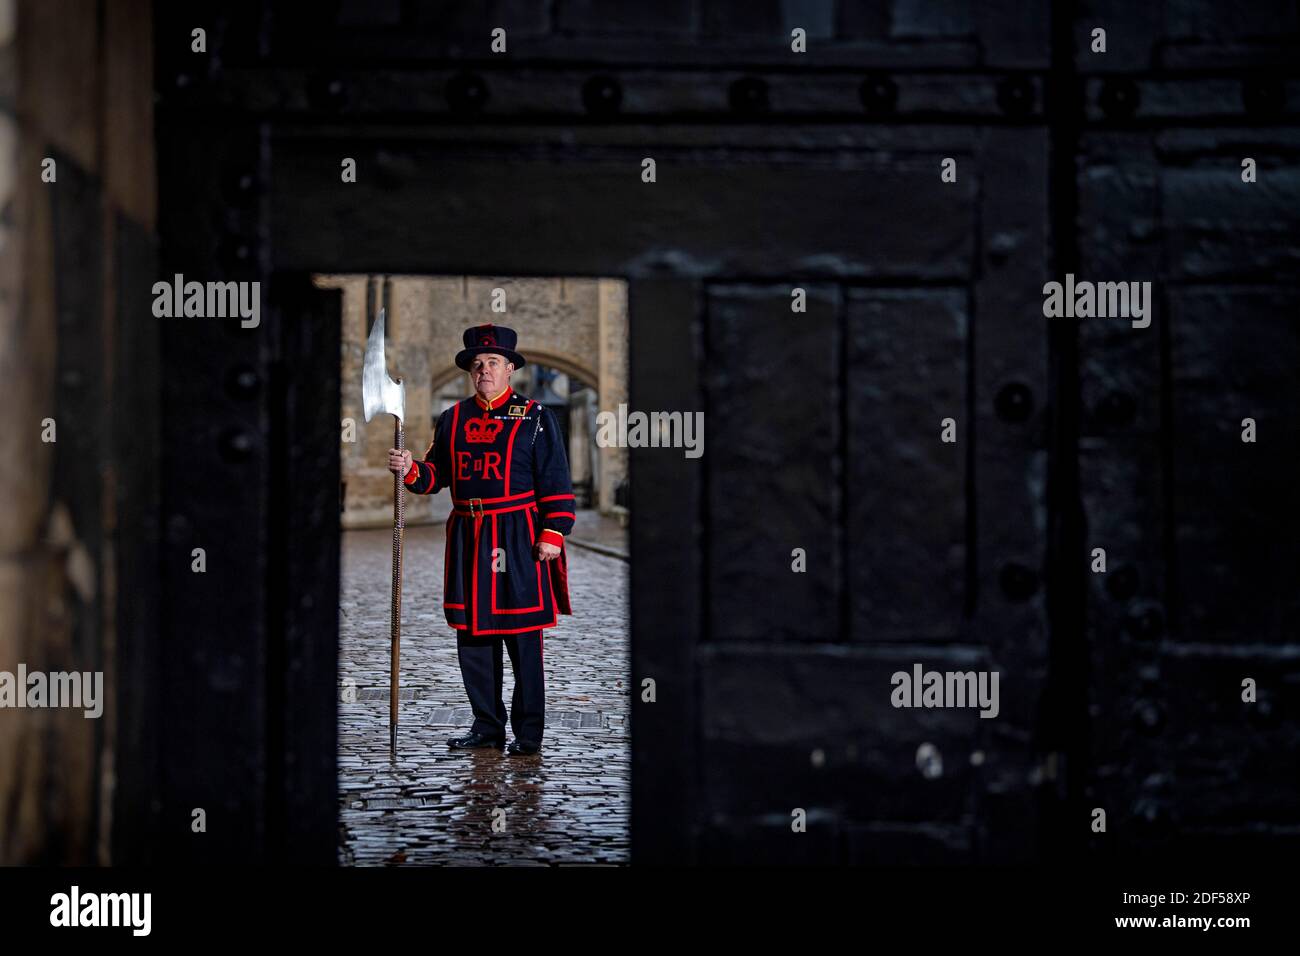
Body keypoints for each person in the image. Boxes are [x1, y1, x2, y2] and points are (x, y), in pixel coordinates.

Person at [387, 323, 574, 756]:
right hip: (468, 537)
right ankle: (487, 726)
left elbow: (556, 480)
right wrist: (410, 467)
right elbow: (436, 477)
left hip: (519, 535)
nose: (483, 370)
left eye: (492, 363)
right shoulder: (453, 419)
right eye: (477, 365)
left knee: (524, 636)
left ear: (509, 368)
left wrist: (553, 532)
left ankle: (528, 734)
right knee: (473, 638)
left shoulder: (536, 418)